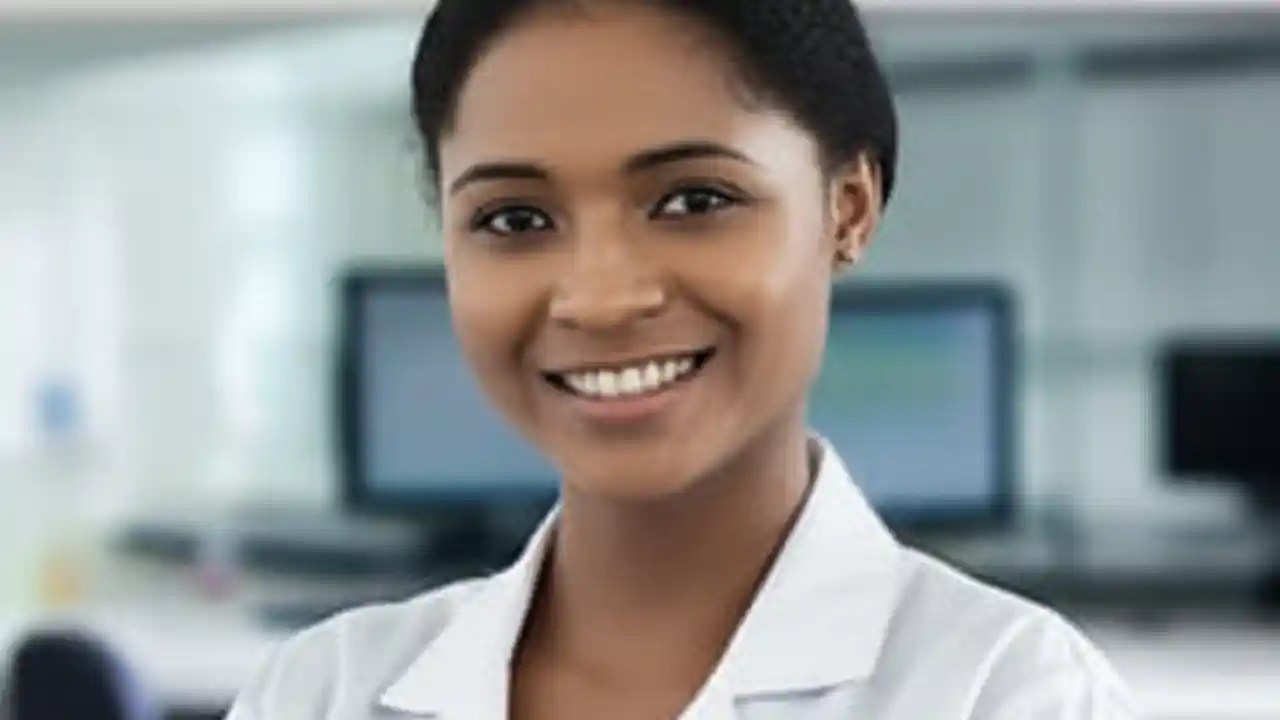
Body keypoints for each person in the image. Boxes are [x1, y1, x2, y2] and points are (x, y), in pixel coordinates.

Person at [228, 1, 1138, 718]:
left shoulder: (1009, 694)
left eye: (694, 199)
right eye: (514, 219)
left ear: (847, 209)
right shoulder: (320, 694)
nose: (599, 296)